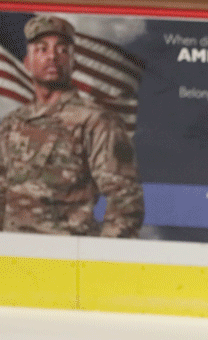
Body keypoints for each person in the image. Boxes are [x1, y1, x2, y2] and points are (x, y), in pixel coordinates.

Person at [0, 15, 143, 237]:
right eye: (42, 49)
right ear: (28, 63)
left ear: (73, 63)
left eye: (62, 50)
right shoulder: (11, 125)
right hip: (14, 257)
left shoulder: (97, 121)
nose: (52, 57)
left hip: (67, 257)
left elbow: (125, 199)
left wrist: (102, 259)